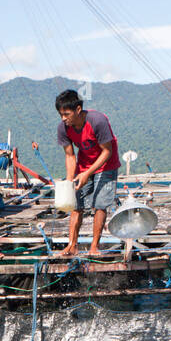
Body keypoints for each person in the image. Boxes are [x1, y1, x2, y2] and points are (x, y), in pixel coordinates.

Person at [56, 89, 121, 256]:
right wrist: (70, 181)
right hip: (84, 163)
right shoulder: (64, 128)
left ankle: (94, 246)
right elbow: (70, 156)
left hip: (106, 164)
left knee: (99, 204)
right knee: (76, 203)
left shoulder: (97, 121)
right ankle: (72, 245)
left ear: (78, 109)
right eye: (61, 114)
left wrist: (88, 173)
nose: (64, 118)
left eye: (66, 114)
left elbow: (107, 151)